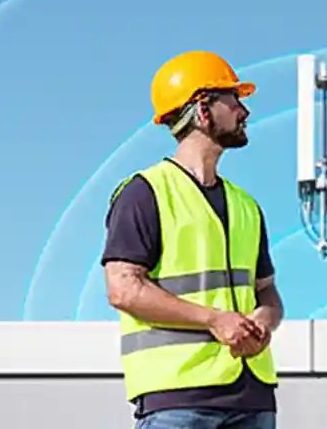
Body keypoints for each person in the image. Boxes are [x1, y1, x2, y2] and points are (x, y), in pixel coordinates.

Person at [102, 50, 284, 429]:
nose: (243, 111)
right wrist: (215, 320)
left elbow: (267, 293)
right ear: (203, 111)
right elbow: (123, 290)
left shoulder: (245, 205)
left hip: (252, 397)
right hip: (178, 399)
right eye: (233, 100)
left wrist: (262, 321)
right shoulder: (144, 193)